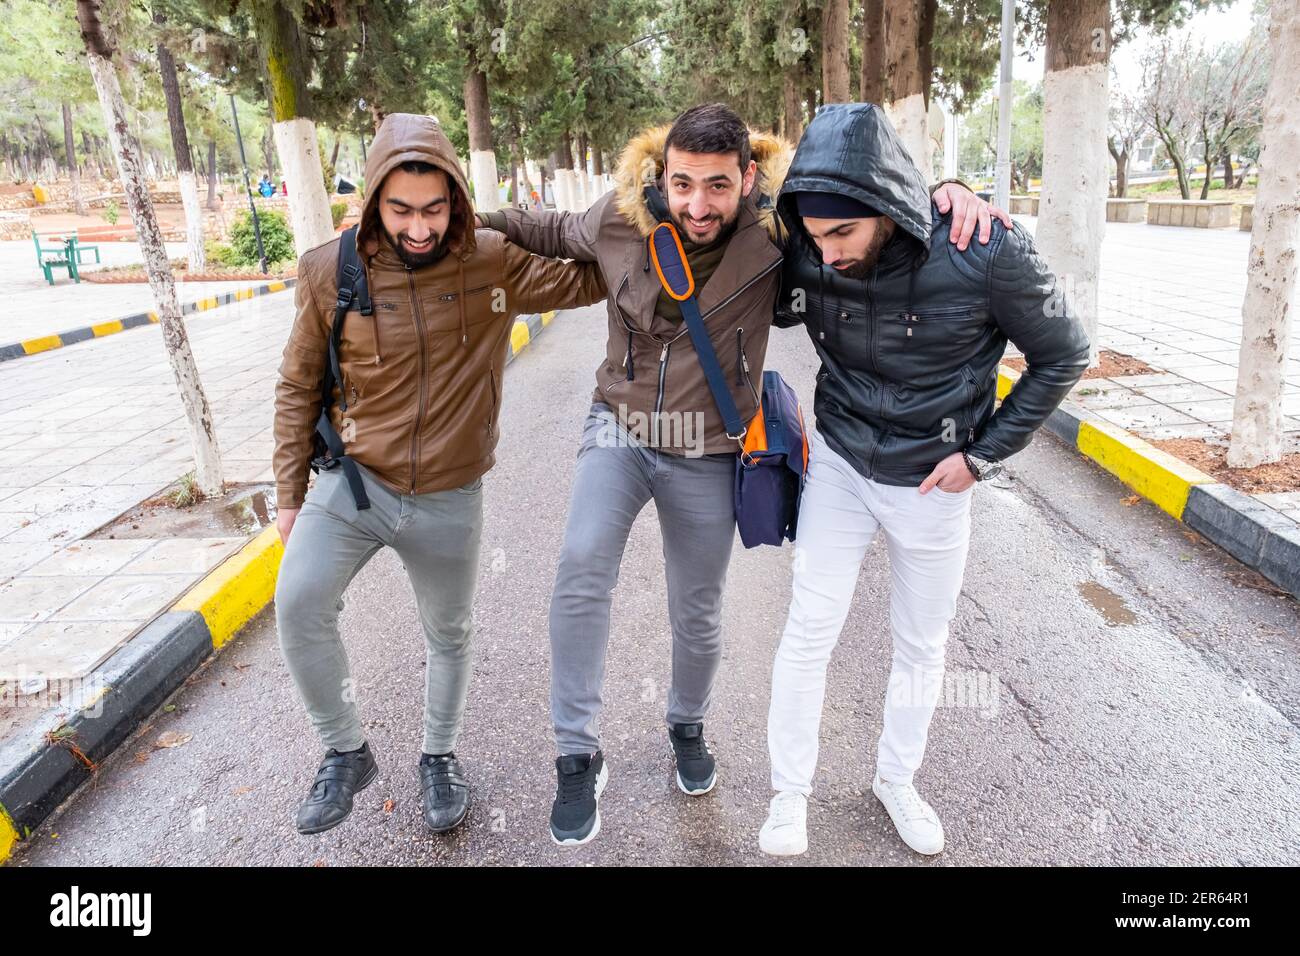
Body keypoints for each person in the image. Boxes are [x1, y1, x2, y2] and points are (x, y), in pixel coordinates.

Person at [477, 102, 1004, 847]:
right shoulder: (621, 218)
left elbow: (867, 211)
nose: (698, 204)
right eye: (684, 184)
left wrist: (949, 191)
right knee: (581, 564)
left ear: (748, 178)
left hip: (710, 443)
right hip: (620, 426)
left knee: (698, 603)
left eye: (718, 186)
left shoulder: (777, 234)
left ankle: (687, 725)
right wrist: (451, 222)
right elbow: (543, 228)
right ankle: (576, 752)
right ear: (664, 174)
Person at [758, 102, 1089, 857]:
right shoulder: (807, 245)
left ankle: (896, 780)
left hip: (934, 481)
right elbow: (734, 244)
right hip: (841, 462)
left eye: (844, 233)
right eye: (816, 236)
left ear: (886, 208)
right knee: (809, 628)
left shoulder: (987, 248)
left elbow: (1065, 354)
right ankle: (788, 795)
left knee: (921, 641)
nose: (828, 253)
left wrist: (981, 456)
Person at [271, 113, 605, 837]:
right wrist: (289, 498)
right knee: (296, 602)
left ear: (455, 198)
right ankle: (343, 749)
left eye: (433, 208)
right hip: (354, 485)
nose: (419, 227)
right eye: (401, 210)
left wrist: (655, 230)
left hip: (451, 494)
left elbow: (592, 277)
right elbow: (298, 386)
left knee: (448, 632)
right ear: (373, 203)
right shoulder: (331, 270)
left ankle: (439, 757)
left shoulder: (490, 258)